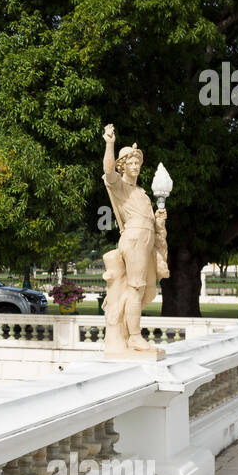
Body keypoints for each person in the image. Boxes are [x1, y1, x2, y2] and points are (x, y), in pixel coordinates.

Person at [101, 124, 168, 354]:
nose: (135, 166)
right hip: (135, 239)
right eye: (130, 163)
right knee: (136, 288)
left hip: (147, 240)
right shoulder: (121, 187)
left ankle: (124, 322)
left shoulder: (141, 193)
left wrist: (159, 220)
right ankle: (135, 337)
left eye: (137, 163)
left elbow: (152, 223)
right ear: (123, 166)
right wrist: (110, 144)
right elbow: (108, 172)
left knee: (148, 291)